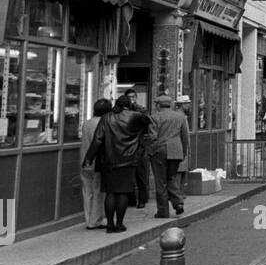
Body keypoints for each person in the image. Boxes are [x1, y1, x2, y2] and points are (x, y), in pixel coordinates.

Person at [83, 94, 156, 233]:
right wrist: (136, 107)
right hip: (127, 160)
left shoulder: (107, 117)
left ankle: (109, 224)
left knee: (110, 193)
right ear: (129, 104)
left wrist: (89, 158)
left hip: (109, 160)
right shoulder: (134, 116)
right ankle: (119, 223)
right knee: (122, 193)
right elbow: (149, 119)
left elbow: (98, 139)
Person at [150, 94, 190, 218]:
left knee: (160, 181)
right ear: (170, 104)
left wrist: (151, 150)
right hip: (176, 150)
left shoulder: (154, 117)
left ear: (158, 105)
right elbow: (184, 136)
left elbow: (152, 136)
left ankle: (163, 211)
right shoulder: (180, 117)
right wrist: (183, 152)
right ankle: (178, 203)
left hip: (160, 150)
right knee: (171, 177)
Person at [79, 98, 113, 229]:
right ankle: (96, 220)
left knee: (87, 191)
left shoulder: (86, 123)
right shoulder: (105, 123)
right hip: (97, 162)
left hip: (84, 161)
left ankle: (88, 219)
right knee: (98, 191)